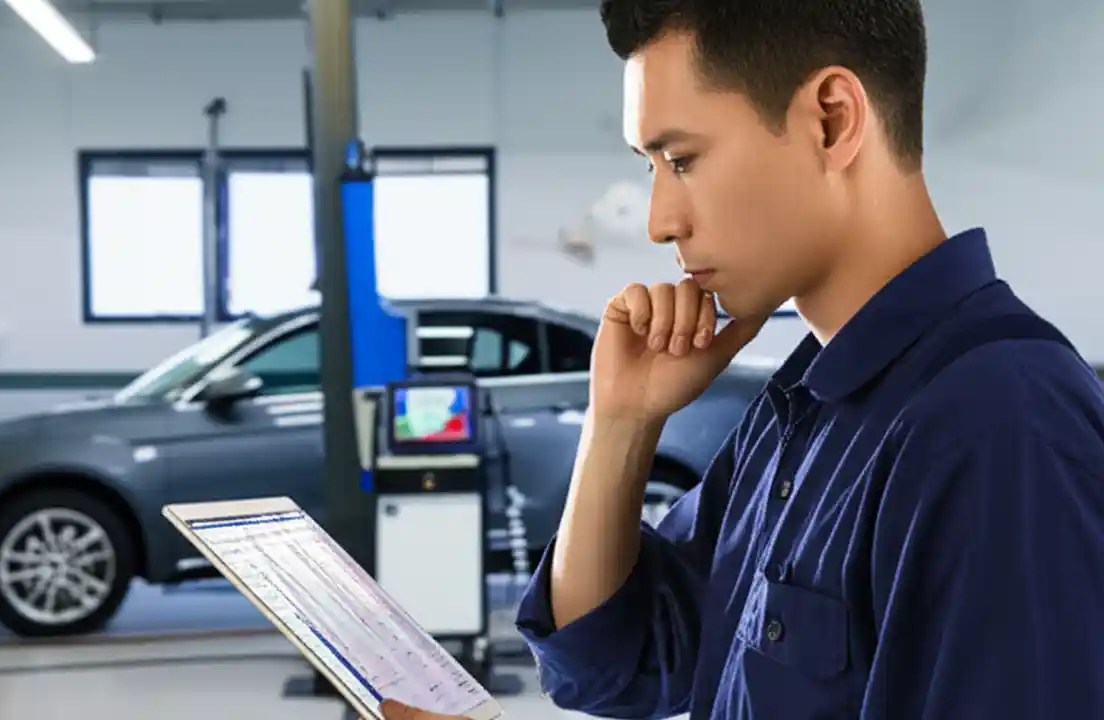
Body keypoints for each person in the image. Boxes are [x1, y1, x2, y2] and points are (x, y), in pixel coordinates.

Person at [383, 0, 1104, 718]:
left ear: (832, 120)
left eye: (683, 159)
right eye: (651, 168)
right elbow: (610, 665)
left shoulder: (998, 419)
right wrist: (621, 423)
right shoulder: (800, 406)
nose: (661, 221)